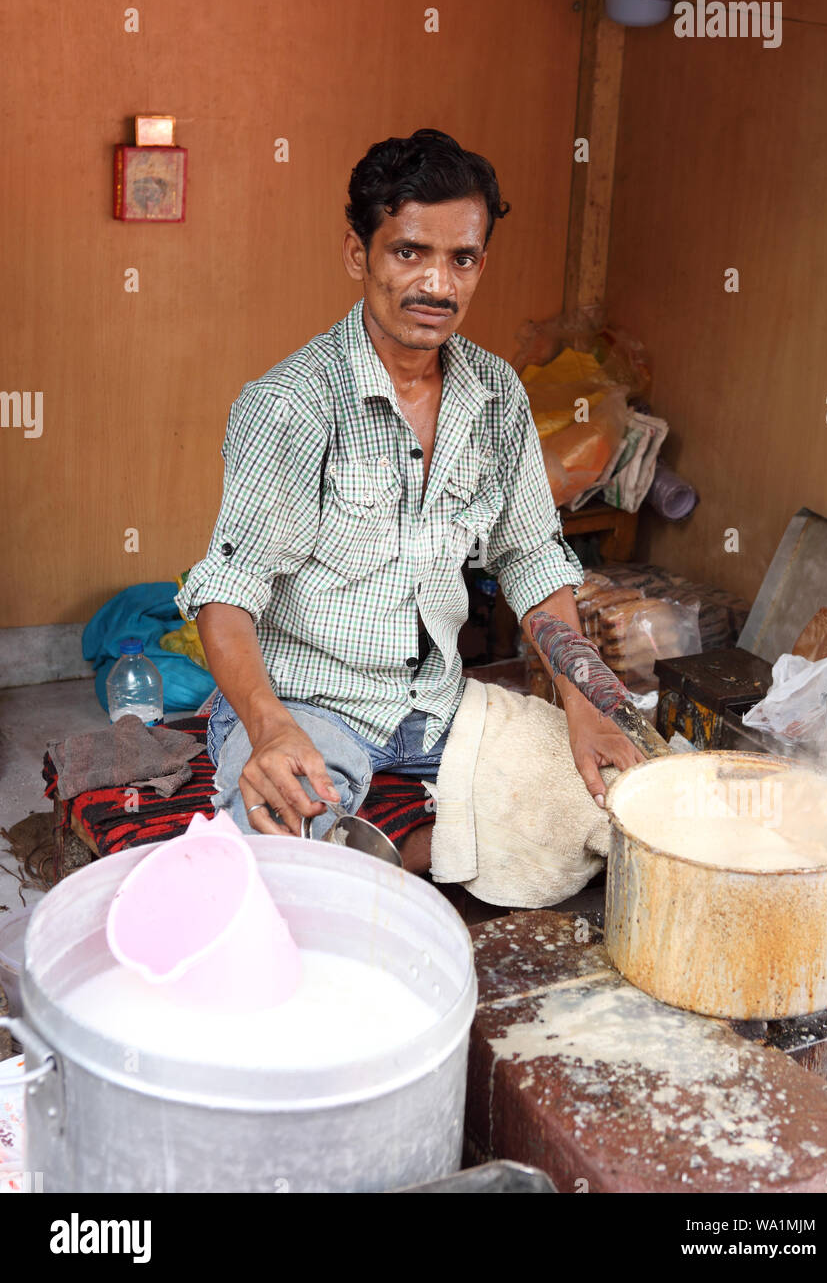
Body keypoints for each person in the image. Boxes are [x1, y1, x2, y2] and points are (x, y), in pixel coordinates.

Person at [177, 128, 642, 873]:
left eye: (460, 259)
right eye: (409, 253)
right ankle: (378, 851)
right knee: (284, 852)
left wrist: (585, 703)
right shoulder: (290, 404)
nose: (437, 285)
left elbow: (530, 556)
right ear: (359, 254)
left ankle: (402, 856)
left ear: (480, 263)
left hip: (434, 708)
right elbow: (227, 594)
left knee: (614, 798)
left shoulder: (495, 396)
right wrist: (268, 730)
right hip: (308, 704)